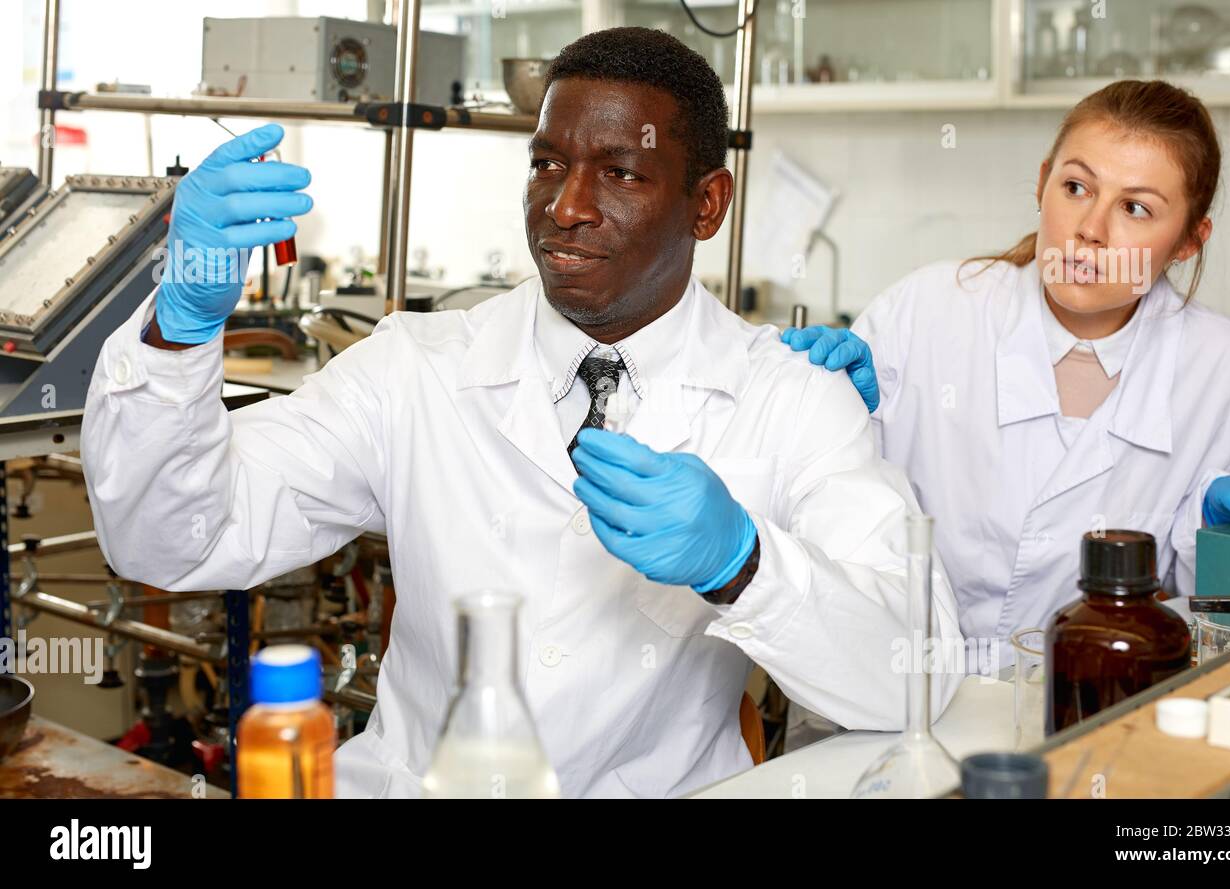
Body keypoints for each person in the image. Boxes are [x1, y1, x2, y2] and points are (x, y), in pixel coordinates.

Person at [81, 27, 963, 798]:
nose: (566, 208)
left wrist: (745, 564)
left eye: (620, 171)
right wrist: (175, 329)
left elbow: (918, 673)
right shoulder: (414, 367)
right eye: (547, 164)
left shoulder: (790, 399)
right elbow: (174, 541)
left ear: (707, 205)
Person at [782, 80, 1230, 673]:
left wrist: (1215, 531)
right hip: (896, 688)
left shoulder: (1221, 368)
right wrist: (810, 404)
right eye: (1076, 187)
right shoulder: (927, 312)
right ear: (1041, 182)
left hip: (1096, 700)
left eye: (1135, 208)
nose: (1091, 230)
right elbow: (821, 509)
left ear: (1188, 241)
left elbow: (1189, 604)